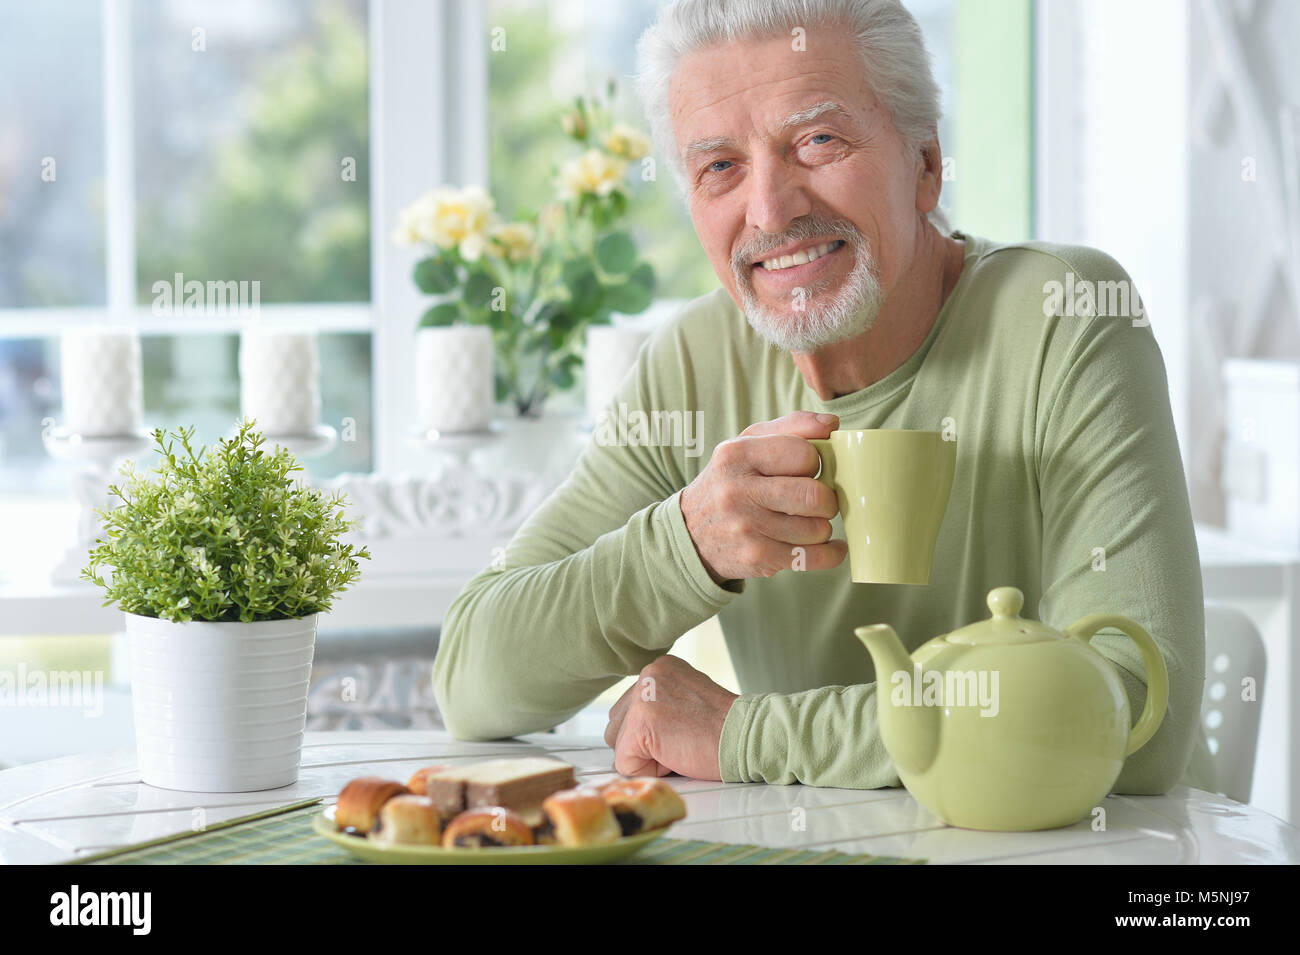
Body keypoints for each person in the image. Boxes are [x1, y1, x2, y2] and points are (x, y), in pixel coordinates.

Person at [434, 0, 1214, 793]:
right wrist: (686, 545)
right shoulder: (695, 362)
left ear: (926, 165)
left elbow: (1134, 713)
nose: (772, 211)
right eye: (721, 167)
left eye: (817, 140)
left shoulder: (1067, 315)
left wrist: (745, 734)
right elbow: (473, 678)